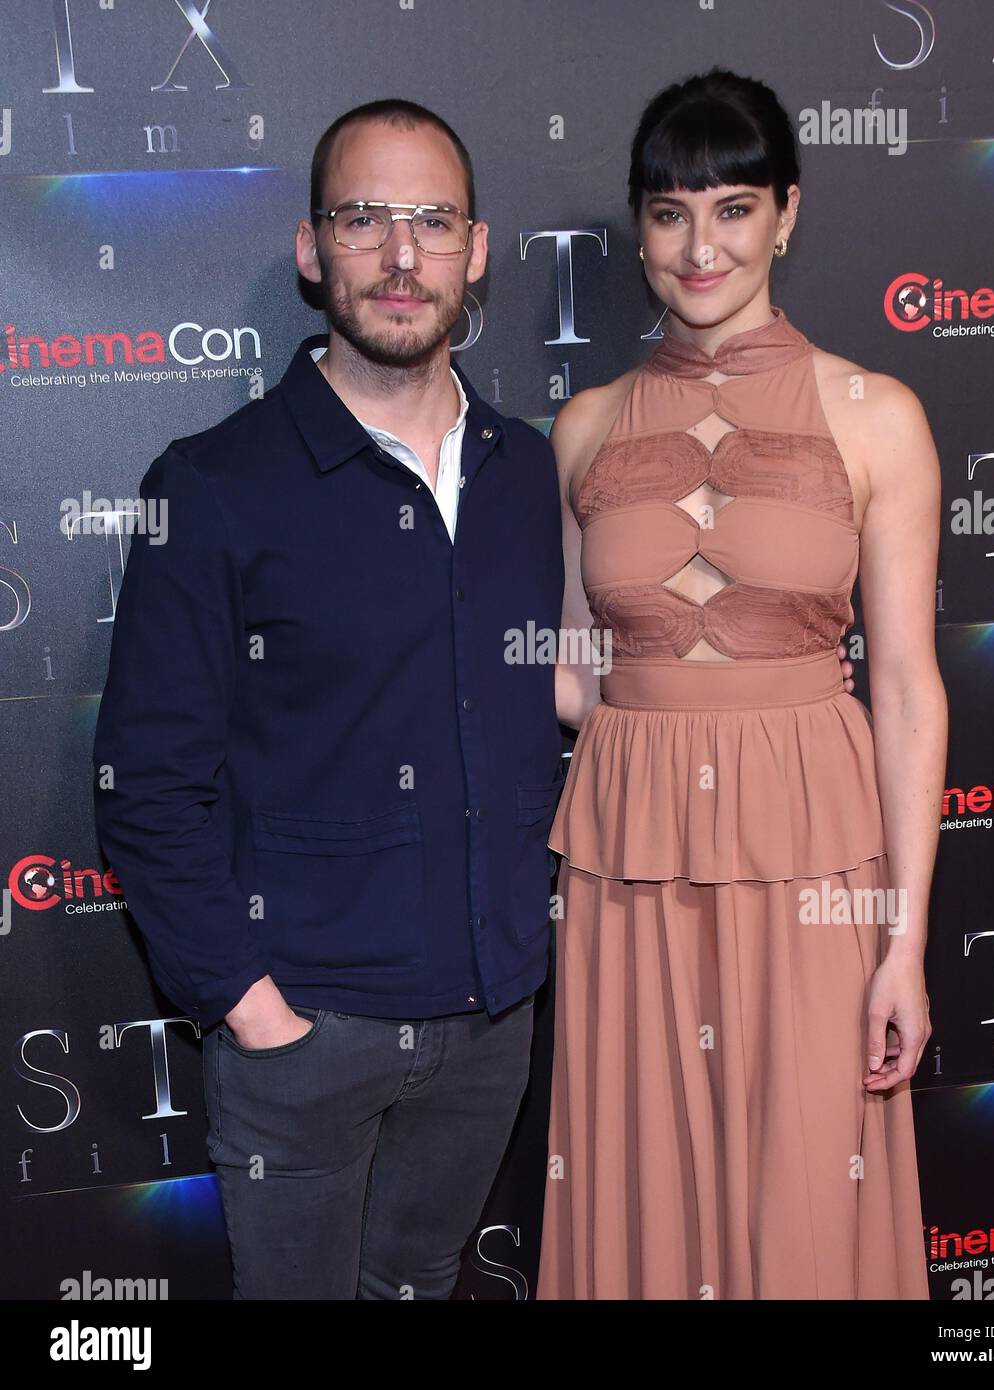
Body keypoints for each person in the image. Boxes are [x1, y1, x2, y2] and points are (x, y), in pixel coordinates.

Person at [92, 100, 565, 1300]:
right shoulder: (213, 484)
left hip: (488, 1023)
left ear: (478, 249)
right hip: (302, 1035)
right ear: (312, 249)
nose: (401, 256)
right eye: (364, 218)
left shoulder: (528, 473)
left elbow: (544, 688)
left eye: (432, 220)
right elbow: (146, 787)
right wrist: (254, 1011)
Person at [538, 69, 946, 1299]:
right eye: (669, 213)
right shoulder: (587, 426)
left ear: (787, 214)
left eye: (730, 207)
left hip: (815, 863)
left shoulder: (877, 416)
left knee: (811, 1190)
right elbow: (572, 671)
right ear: (643, 230)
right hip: (630, 865)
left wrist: (905, 939)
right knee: (639, 1183)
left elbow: (912, 691)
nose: (698, 244)